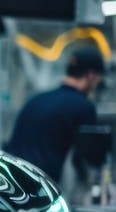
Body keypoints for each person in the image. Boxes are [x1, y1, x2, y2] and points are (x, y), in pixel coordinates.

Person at [6, 48, 105, 182]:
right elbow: (88, 159)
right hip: (40, 184)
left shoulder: (37, 99)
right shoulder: (83, 106)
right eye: (98, 78)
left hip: (11, 178)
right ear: (90, 75)